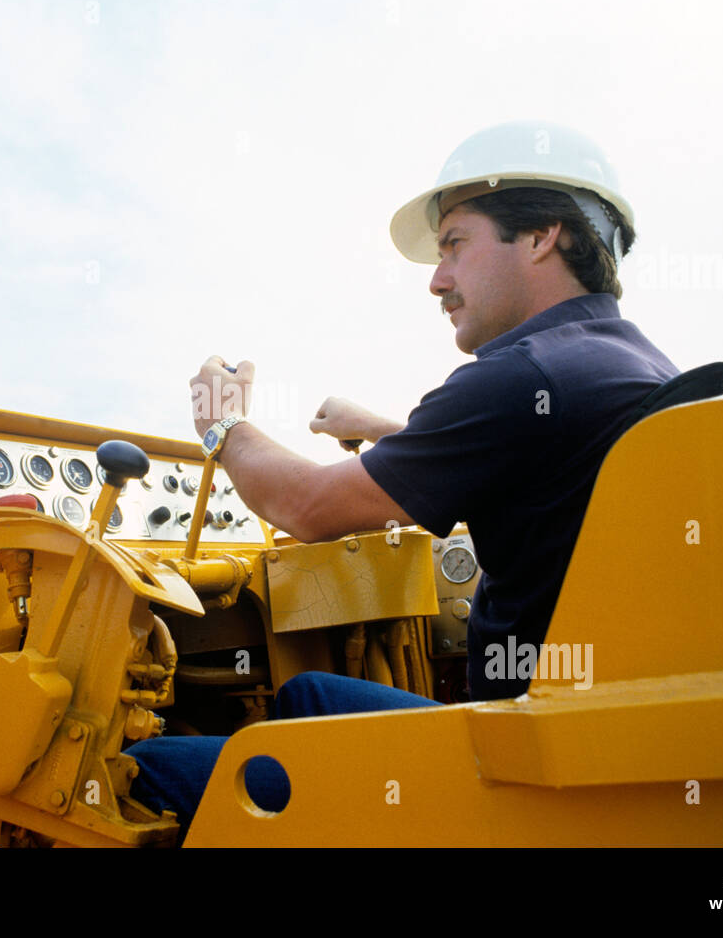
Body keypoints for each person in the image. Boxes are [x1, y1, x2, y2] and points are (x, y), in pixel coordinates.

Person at [127, 121, 679, 827]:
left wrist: (221, 425)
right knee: (308, 699)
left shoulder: (519, 376)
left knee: (144, 774)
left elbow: (306, 505)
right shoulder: (623, 364)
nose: (437, 280)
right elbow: (534, 461)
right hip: (587, 746)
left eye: (454, 245)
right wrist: (392, 431)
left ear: (542, 236)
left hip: (520, 780)